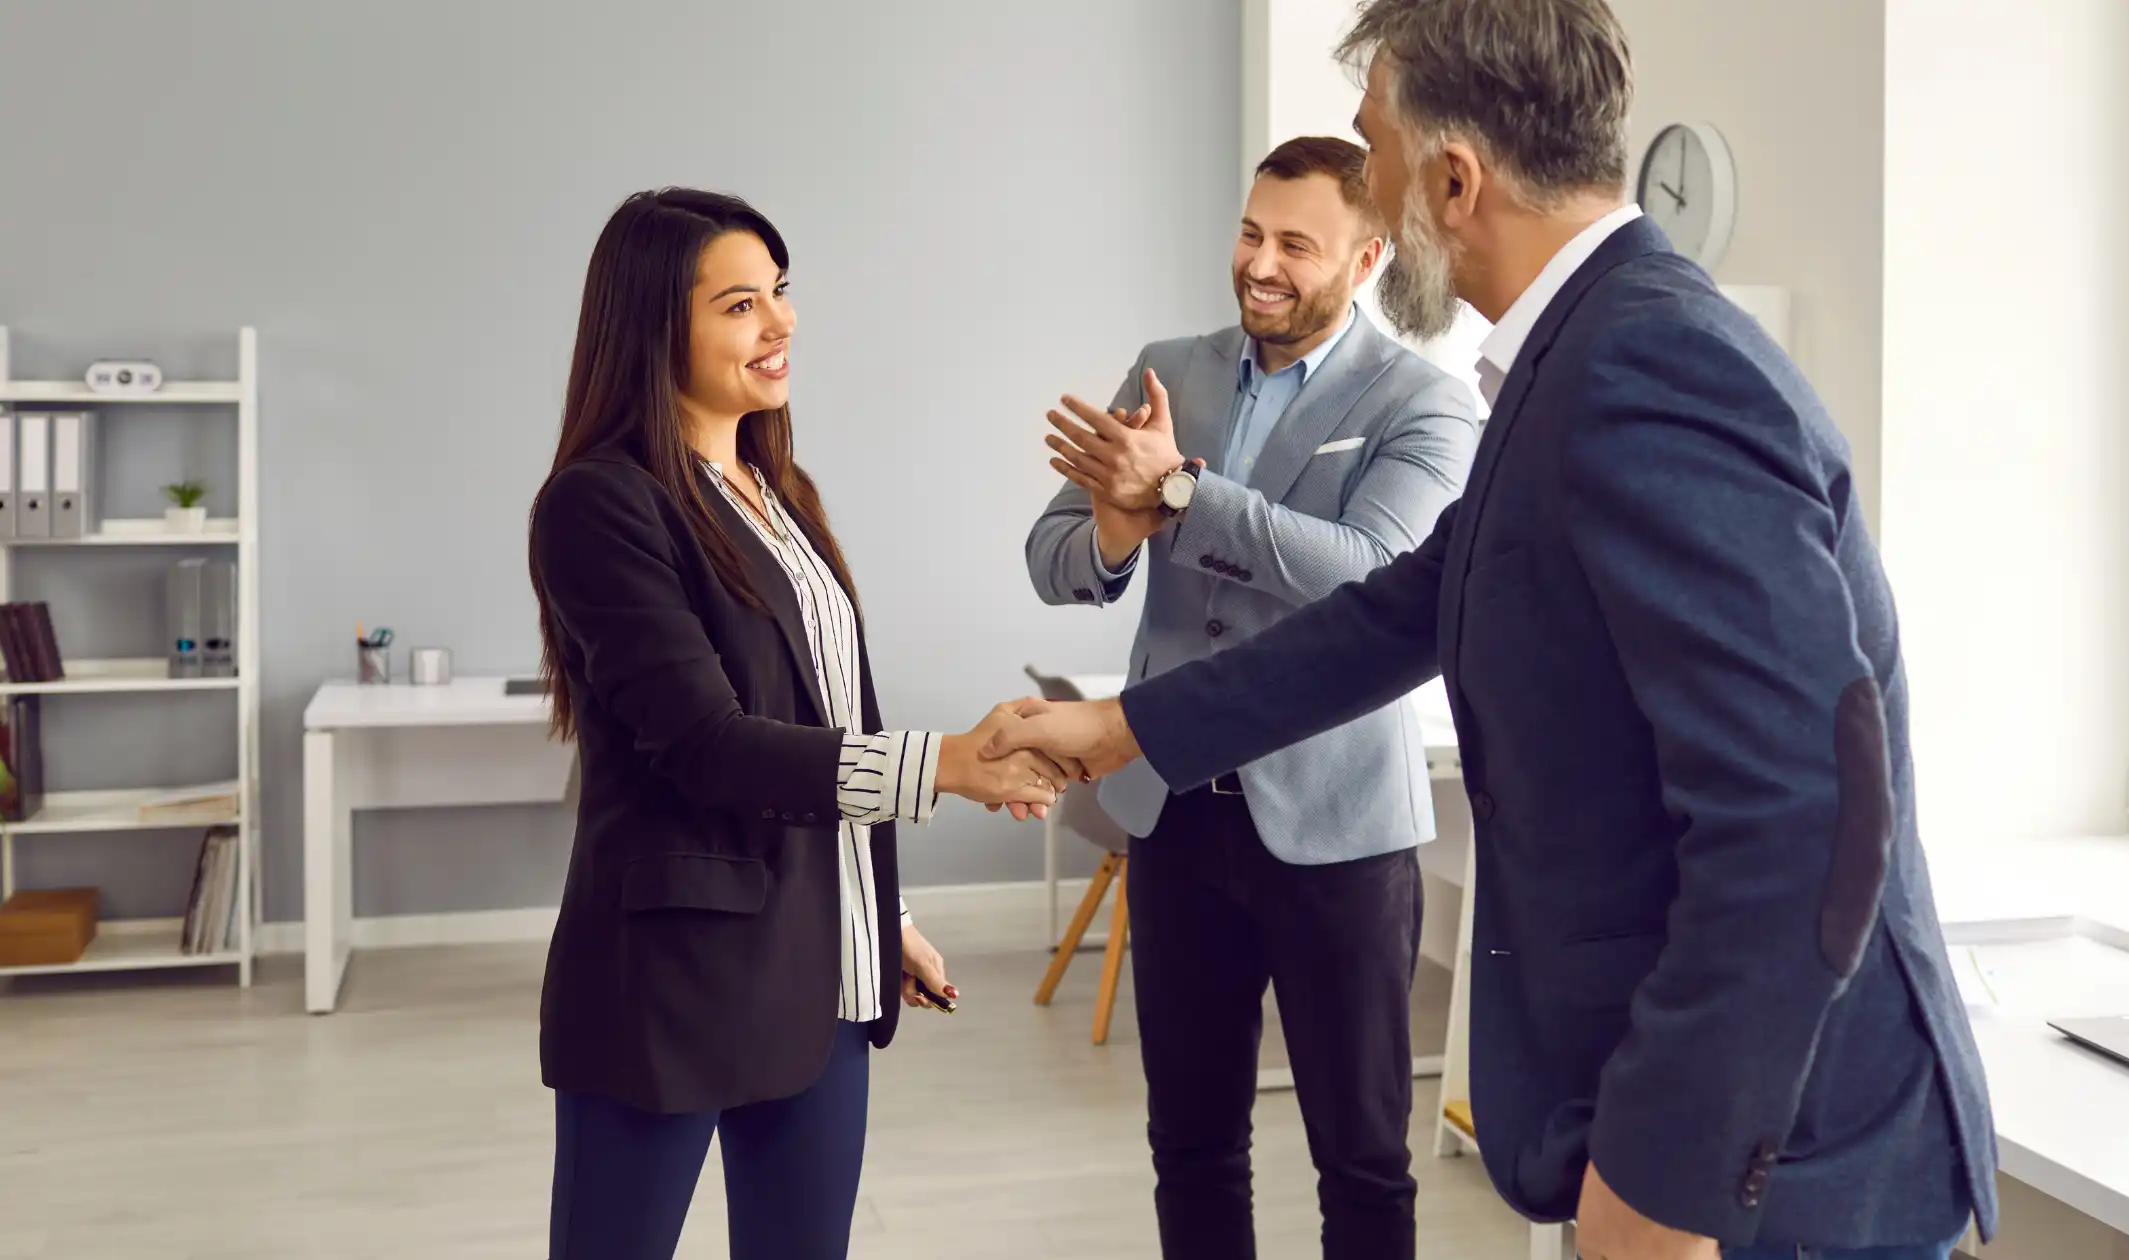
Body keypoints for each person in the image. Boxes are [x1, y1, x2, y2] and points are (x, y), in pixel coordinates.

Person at [989, 3, 2001, 1259]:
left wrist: (1664, 1178)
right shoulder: (1583, 349)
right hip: (1730, 1138)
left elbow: (1801, 811)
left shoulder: (1644, 365)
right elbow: (1411, 607)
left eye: (1379, 151)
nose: (1373, 181)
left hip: (1772, 1168)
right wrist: (1122, 725)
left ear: (1452, 178)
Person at [526, 187, 1072, 1260]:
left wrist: (878, 916)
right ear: (652, 327)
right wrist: (949, 765)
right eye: (739, 304)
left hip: (817, 971)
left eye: (779, 294)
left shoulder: (777, 490)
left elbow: (819, 721)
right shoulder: (600, 505)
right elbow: (711, 746)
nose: (779, 324)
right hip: (670, 987)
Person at [1026, 135, 1477, 1259]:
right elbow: (1050, 558)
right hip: (1173, 811)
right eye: (1248, 232)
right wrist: (1115, 530)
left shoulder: (1425, 403)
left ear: (1366, 256)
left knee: (1362, 1160)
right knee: (1187, 1140)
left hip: (1340, 830)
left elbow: (1372, 578)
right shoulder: (1165, 368)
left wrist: (1179, 490)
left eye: (1293, 244)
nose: (1258, 263)